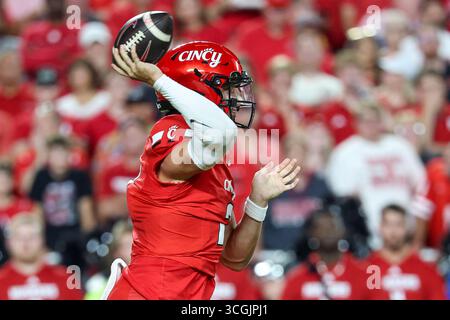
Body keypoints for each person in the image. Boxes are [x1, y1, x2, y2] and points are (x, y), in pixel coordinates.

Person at [105, 41, 301, 300]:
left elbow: (234, 258)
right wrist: (159, 80)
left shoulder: (217, 165)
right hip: (146, 294)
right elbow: (219, 133)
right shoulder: (170, 132)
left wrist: (257, 201)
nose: (237, 98)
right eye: (228, 89)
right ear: (200, 90)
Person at [326, 104, 426, 246]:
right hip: (368, 233)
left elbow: (420, 183)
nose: (370, 125)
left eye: (374, 120)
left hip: (406, 230)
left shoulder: (400, 146)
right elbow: (343, 196)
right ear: (356, 123)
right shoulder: (344, 153)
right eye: (365, 121)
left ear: (381, 122)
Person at [29, 136, 95, 266]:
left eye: (63, 152)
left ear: (70, 155)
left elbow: (87, 213)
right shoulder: (41, 177)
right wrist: (40, 243)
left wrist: (86, 240)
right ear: (48, 156)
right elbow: (37, 212)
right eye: (55, 152)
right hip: (49, 236)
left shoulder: (80, 177)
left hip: (74, 236)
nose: (59, 156)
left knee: (76, 270)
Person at [281, 208, 370, 300]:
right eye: (322, 227)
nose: (328, 231)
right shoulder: (297, 276)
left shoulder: (363, 273)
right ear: (312, 233)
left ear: (343, 231)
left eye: (333, 226)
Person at [366, 204, 446, 300]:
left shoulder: (425, 269)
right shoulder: (368, 268)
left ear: (408, 229)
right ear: (380, 227)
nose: (393, 231)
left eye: (398, 225)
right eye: (388, 224)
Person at [0, 213, 83, 300]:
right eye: (19, 237)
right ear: (8, 243)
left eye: (32, 237)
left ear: (42, 240)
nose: (25, 243)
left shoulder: (66, 278)